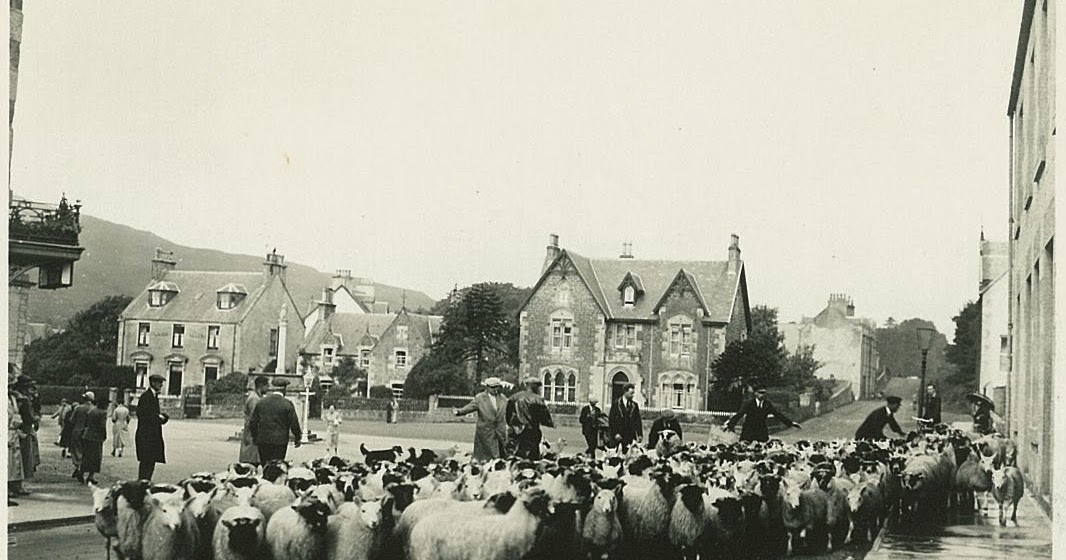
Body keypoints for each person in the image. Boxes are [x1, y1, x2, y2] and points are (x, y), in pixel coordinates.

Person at [454, 377, 508, 461]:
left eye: (496, 387)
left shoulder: (502, 398)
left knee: (501, 452)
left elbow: (507, 410)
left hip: (499, 430)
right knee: (485, 455)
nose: (494, 389)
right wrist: (459, 412)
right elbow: (470, 407)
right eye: (492, 387)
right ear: (487, 387)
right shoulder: (480, 398)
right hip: (485, 430)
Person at [249, 378, 302, 462]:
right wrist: (297, 437)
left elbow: (253, 422)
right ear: (284, 390)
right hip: (280, 441)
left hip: (263, 440)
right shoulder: (287, 404)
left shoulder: (262, 402)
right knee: (277, 467)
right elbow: (294, 423)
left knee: (265, 466)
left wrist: (255, 437)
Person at [725, 386, 801, 443]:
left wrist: (790, 423)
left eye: (764, 393)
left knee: (763, 449)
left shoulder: (767, 404)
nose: (763, 395)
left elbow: (777, 414)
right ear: (755, 393)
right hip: (748, 430)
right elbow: (739, 414)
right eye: (760, 393)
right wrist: (730, 425)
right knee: (745, 448)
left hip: (761, 431)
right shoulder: (749, 403)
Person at [506, 377, 554, 460]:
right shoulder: (538, 399)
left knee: (516, 453)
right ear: (534, 386)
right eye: (538, 387)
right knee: (532, 454)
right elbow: (544, 417)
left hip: (516, 430)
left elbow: (508, 414)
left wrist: (512, 425)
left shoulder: (514, 397)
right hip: (532, 430)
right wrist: (549, 423)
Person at [135, 374, 170, 480]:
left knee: (150, 462)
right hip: (146, 436)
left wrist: (162, 417)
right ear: (153, 383)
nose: (161, 385)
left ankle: (145, 484)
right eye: (159, 383)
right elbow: (144, 415)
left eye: (161, 383)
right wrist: (159, 418)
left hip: (151, 436)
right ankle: (142, 485)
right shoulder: (146, 397)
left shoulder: (154, 396)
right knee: (146, 462)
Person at [12, 376, 41, 482]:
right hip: (25, 428)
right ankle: (20, 481)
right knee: (25, 456)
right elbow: (29, 416)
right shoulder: (25, 399)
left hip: (21, 428)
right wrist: (36, 418)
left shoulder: (19, 398)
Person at [239, 376, 269, 464]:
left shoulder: (257, 397)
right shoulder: (254, 399)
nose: (268, 388)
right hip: (252, 435)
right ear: (261, 386)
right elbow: (255, 418)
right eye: (266, 386)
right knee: (251, 461)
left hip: (253, 434)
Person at [81, 397, 109, 485]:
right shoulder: (103, 413)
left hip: (87, 435)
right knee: (96, 457)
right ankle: (90, 476)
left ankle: (81, 472)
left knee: (86, 455)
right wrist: (104, 435)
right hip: (96, 437)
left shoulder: (92, 411)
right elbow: (102, 426)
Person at [69, 391, 95, 482]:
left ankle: (78, 467)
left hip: (77, 431)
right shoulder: (93, 409)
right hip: (88, 433)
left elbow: (71, 420)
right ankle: (85, 471)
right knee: (88, 452)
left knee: (77, 450)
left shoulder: (78, 408)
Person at [609, 384, 643, 450]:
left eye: (633, 393)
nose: (633, 395)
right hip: (619, 436)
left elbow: (638, 420)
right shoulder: (616, 404)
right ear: (625, 392)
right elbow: (611, 420)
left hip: (630, 436)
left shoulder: (634, 405)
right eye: (631, 393)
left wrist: (639, 434)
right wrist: (615, 433)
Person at [8, 378, 25, 506]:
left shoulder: (12, 399)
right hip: (7, 432)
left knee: (14, 463)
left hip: (13, 432)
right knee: (8, 463)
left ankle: (12, 488)